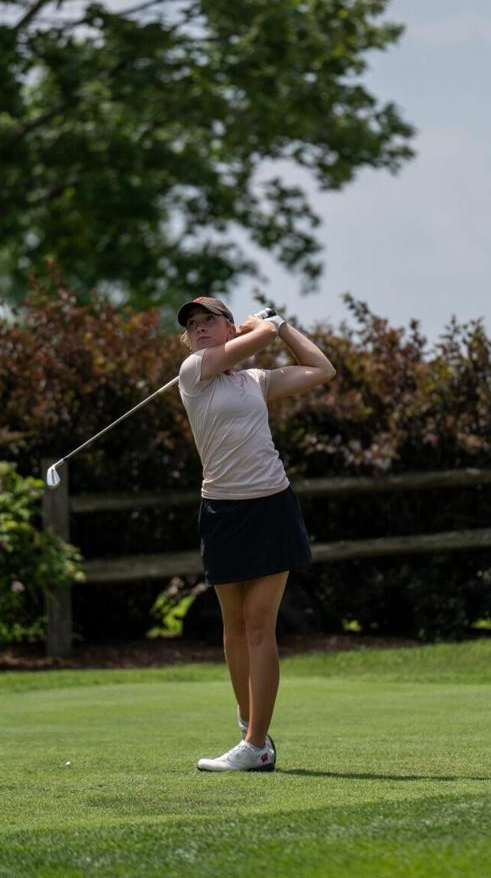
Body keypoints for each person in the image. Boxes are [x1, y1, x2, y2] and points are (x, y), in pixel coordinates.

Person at [176, 296, 335, 772]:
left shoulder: (256, 381)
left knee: (259, 623)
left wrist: (282, 326)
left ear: (227, 327)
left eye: (211, 321)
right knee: (233, 627)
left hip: (271, 507)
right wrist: (261, 328)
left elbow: (321, 368)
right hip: (222, 511)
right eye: (193, 325)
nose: (201, 328)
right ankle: (249, 725)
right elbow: (257, 340)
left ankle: (256, 742)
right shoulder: (193, 371)